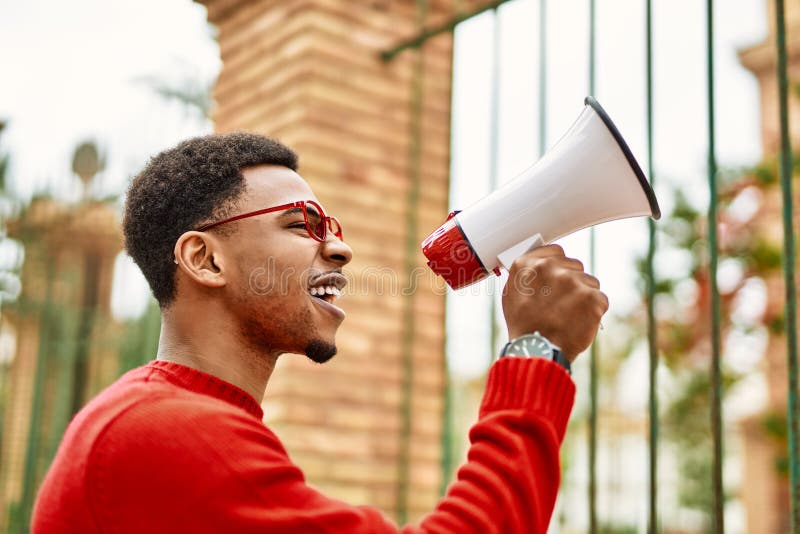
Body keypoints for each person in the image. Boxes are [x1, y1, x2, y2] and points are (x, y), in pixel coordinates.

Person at [31, 132, 608, 533]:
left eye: (333, 225)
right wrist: (538, 354)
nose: (340, 247)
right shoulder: (162, 432)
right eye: (301, 224)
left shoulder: (180, 421)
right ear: (205, 260)